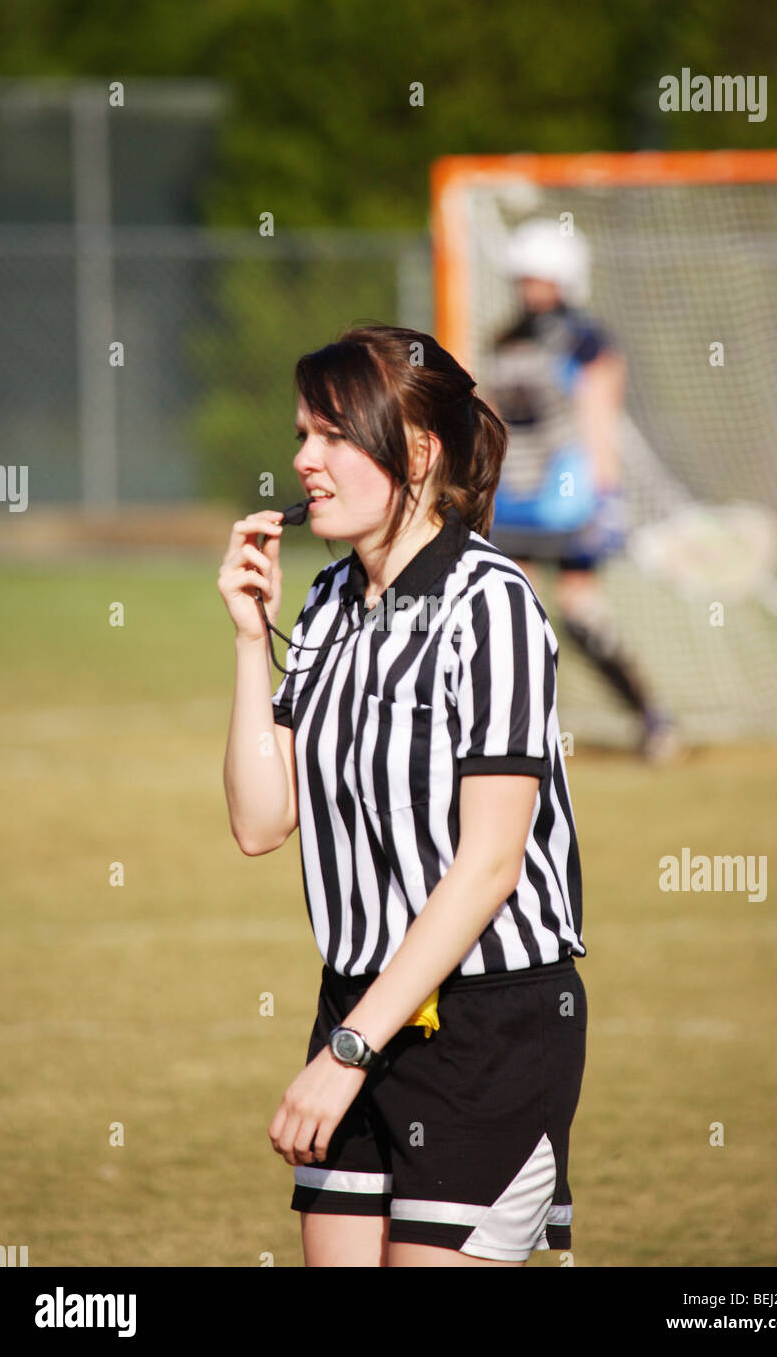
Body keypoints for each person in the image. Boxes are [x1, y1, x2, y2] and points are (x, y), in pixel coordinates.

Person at [219, 324, 587, 1268]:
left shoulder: (491, 604)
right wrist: (251, 638)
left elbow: (491, 864)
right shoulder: (333, 599)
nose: (303, 460)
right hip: (357, 1005)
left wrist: (344, 1057)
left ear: (417, 452)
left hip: (485, 1031)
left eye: (333, 436)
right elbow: (261, 823)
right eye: (302, 434)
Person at [488, 218, 678, 762]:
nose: (528, 290)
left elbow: (599, 421)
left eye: (538, 278)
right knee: (512, 616)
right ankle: (520, 731)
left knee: (580, 616)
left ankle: (652, 719)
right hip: (514, 498)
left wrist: (607, 496)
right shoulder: (505, 339)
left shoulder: (590, 343)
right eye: (522, 279)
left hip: (567, 498)